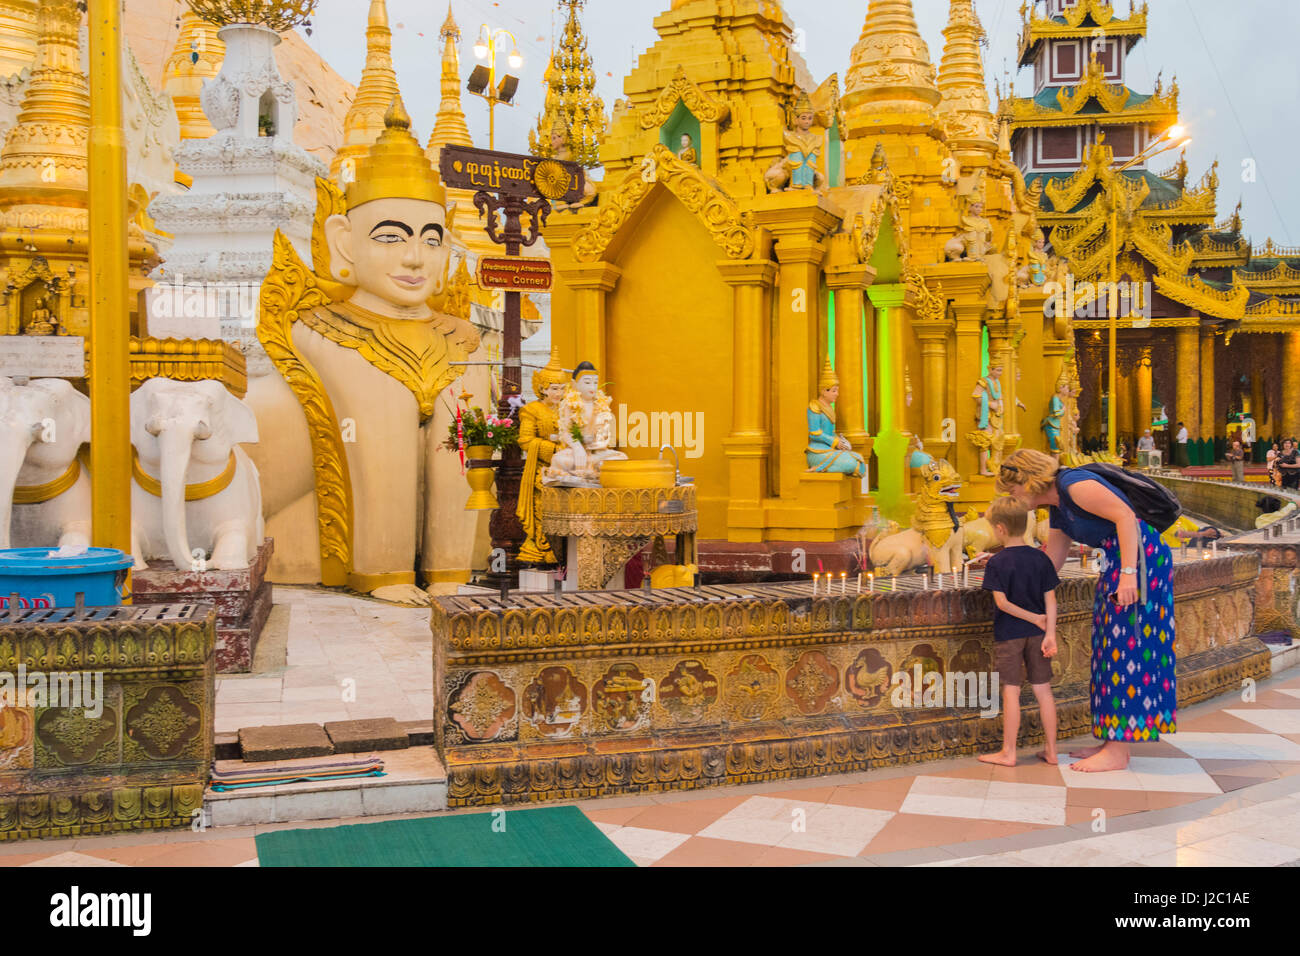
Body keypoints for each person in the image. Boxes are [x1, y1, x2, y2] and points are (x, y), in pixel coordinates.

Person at [996, 449, 1176, 773]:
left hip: (1140, 561)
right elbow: (1053, 559)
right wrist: (1011, 561)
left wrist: (1129, 573)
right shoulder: (1058, 508)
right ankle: (1112, 739)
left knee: (1127, 649)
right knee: (1108, 647)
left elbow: (1125, 517)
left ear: (1028, 480)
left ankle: (1118, 753)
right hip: (1118, 562)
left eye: (1013, 489)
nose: (1013, 497)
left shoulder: (1074, 484)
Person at [978, 496, 1060, 767]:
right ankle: (1051, 750)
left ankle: (1009, 752)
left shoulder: (997, 563)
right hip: (1039, 636)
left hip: (1010, 634)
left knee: (1011, 692)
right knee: (1044, 691)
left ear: (1000, 528)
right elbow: (1051, 600)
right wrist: (1048, 631)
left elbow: (1002, 604)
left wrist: (1033, 618)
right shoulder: (1041, 558)